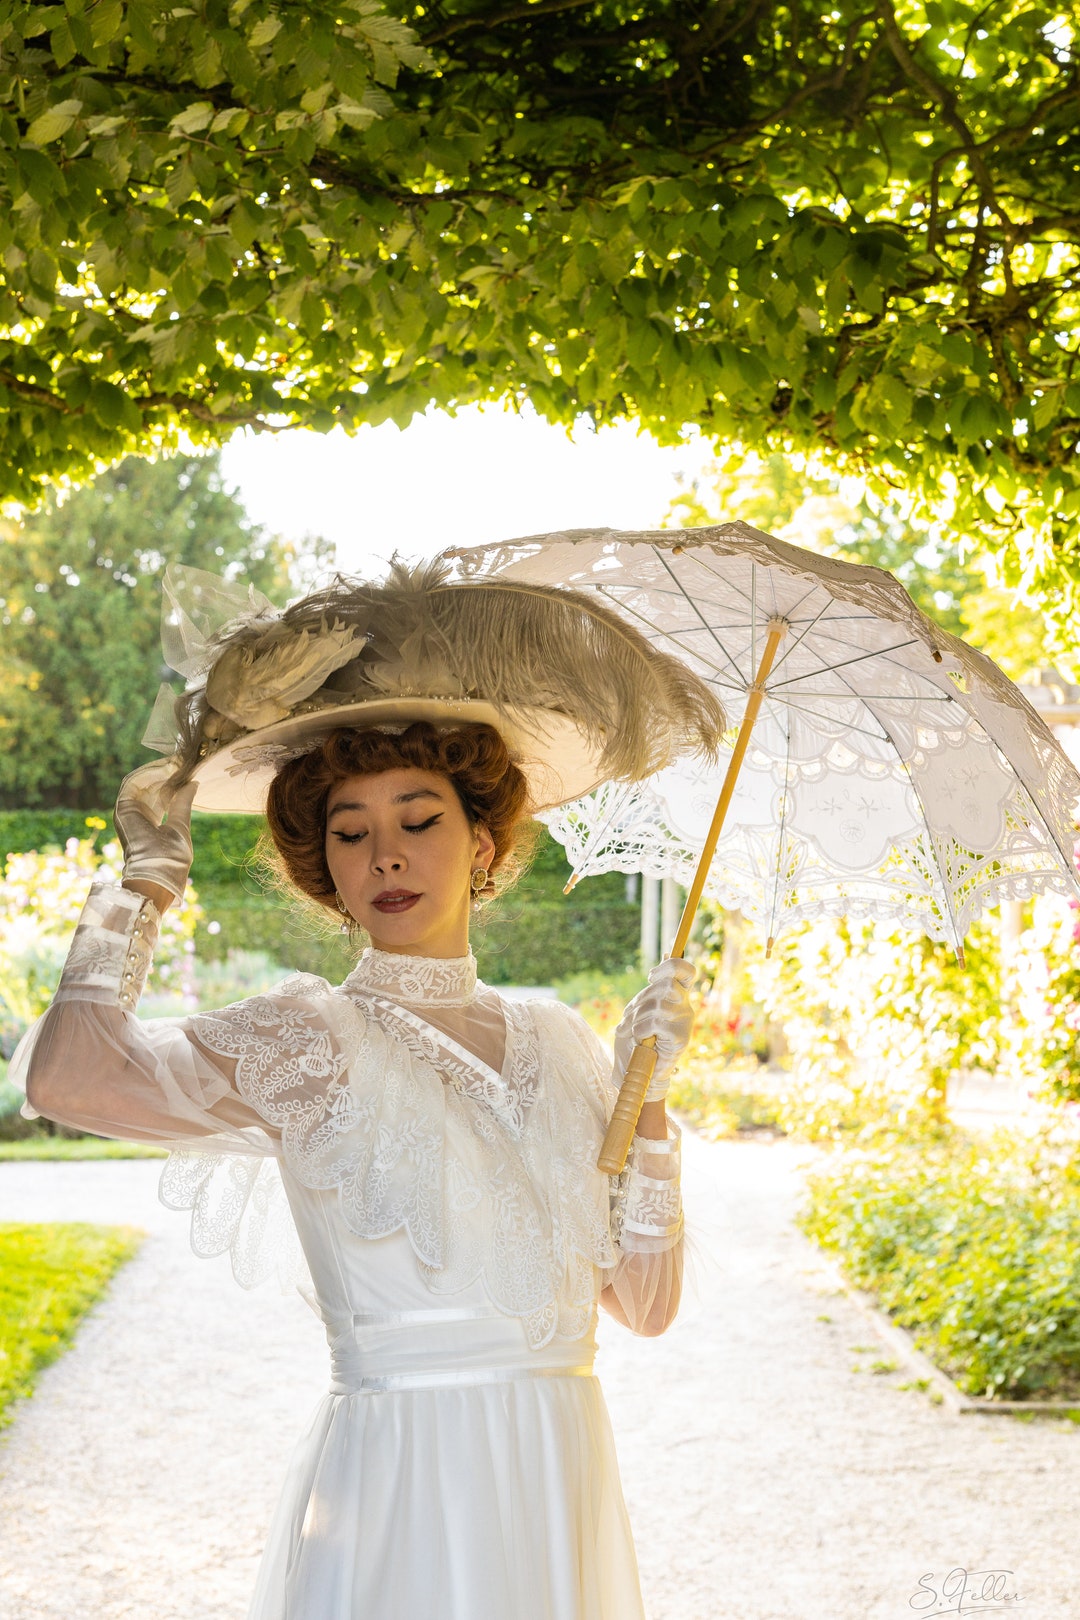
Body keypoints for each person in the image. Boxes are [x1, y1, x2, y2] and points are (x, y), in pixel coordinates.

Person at [11, 714, 698, 1620]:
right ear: (325, 867)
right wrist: (143, 885)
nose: (385, 855)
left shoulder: (565, 1044)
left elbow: (643, 1307)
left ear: (482, 844)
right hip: (402, 1480)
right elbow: (71, 1077)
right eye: (351, 832)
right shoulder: (308, 1039)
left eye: (419, 822)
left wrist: (646, 1100)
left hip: (560, 1470)